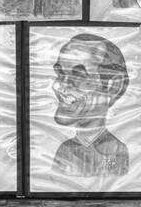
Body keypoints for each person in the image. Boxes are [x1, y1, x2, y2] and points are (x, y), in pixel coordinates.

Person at [50, 33, 131, 179]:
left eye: (78, 76)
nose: (61, 86)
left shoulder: (117, 151)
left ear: (114, 87)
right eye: (61, 74)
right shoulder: (64, 150)